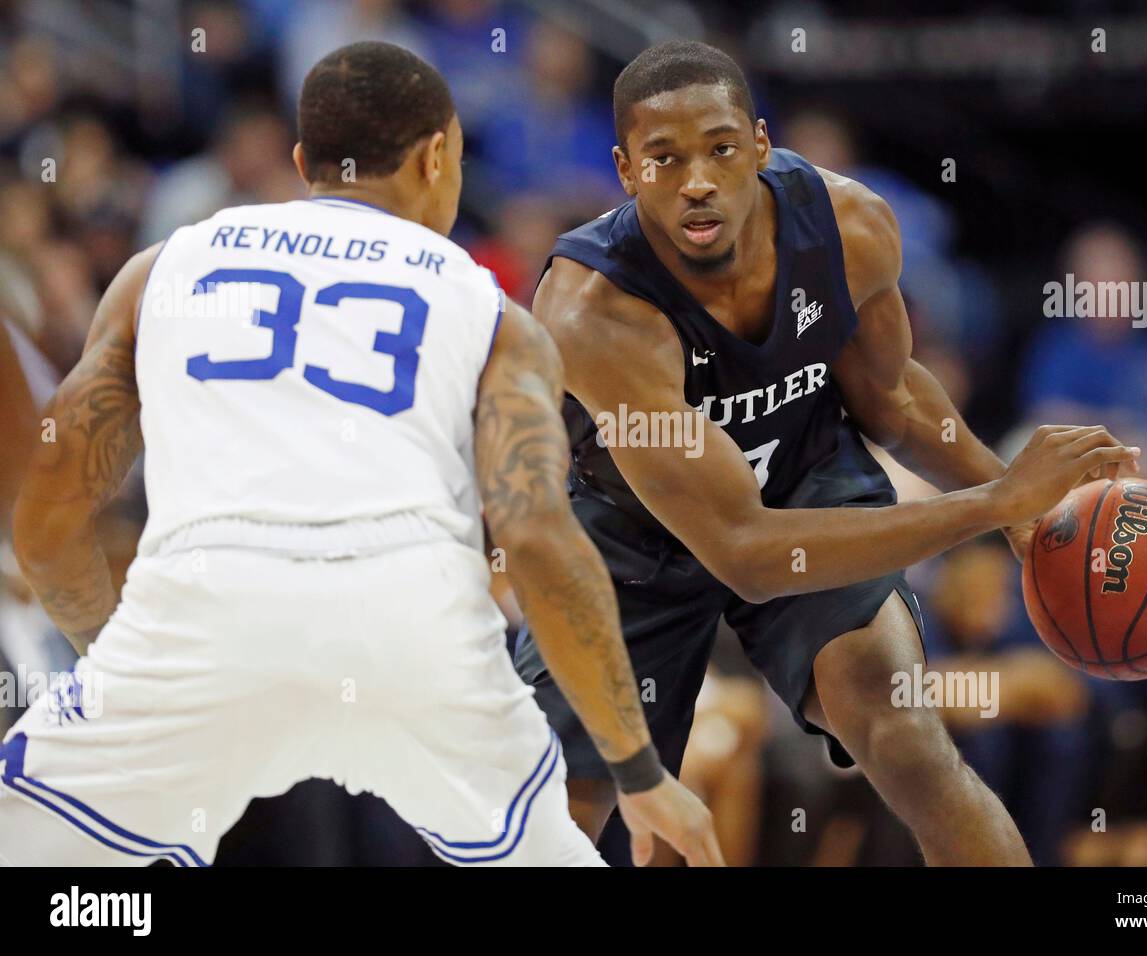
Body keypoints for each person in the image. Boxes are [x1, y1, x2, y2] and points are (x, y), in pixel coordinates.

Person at [0, 41, 721, 868]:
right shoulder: (490, 313)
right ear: (439, 156)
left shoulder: (161, 270)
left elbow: (49, 520)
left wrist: (128, 670)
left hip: (206, 606)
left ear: (305, 162)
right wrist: (637, 769)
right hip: (412, 626)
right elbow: (537, 538)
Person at [515, 40, 1138, 865]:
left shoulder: (848, 228)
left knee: (906, 734)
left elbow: (894, 399)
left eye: (721, 149)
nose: (697, 178)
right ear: (628, 173)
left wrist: (1023, 514)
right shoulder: (594, 310)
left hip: (804, 478)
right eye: (665, 159)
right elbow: (744, 552)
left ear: (762, 146)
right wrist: (992, 506)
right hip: (631, 538)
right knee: (556, 815)